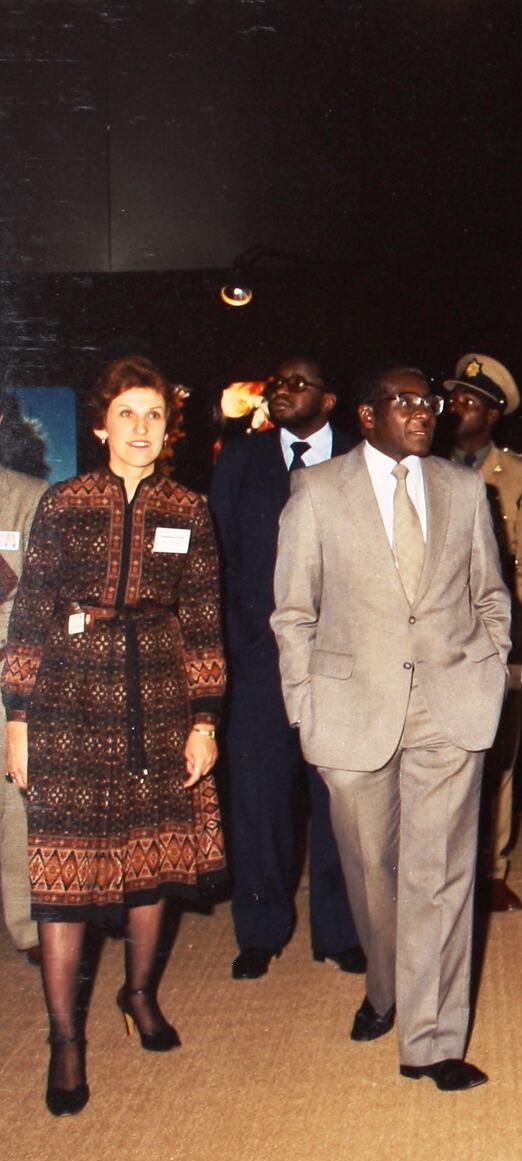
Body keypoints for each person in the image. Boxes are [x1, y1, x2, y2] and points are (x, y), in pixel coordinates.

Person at [271, 362, 511, 1093]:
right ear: (367, 416)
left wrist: (490, 669)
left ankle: (430, 1041)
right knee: (373, 872)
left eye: (428, 401)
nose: (421, 411)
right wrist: (304, 709)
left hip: (450, 703)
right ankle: (386, 987)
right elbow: (293, 613)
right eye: (403, 400)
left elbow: (493, 596)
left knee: (439, 876)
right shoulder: (316, 491)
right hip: (352, 710)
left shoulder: (466, 489)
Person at [2, 356, 227, 1116]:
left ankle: (137, 993)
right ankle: (66, 1038)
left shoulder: (189, 508)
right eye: (126, 414)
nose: (140, 428)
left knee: (151, 856)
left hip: (159, 700)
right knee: (63, 881)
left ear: (169, 429)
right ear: (101, 425)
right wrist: (17, 718)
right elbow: (31, 610)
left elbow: (202, 619)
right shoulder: (65, 504)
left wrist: (204, 720)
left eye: (154, 415)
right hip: (69, 701)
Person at [210, 357, 365, 981]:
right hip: (258, 664)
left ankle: (341, 930)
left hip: (341, 663)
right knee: (258, 801)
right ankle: (260, 928)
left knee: (339, 801)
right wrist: (232, 646)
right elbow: (217, 556)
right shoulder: (240, 459)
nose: (281, 392)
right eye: (276, 384)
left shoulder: (362, 458)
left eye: (297, 384)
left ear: (328, 401)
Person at [444, 352, 522, 913]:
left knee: (499, 758)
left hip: (499, 642)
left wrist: (502, 629)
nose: (457, 408)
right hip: (435, 644)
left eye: (470, 401)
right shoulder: (424, 466)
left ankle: (492, 868)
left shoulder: (518, 474)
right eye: (453, 397)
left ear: (493, 413)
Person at [0, 402, 49, 967]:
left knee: (18, 804)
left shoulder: (30, 496)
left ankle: (28, 927)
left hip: (9, 669)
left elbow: (38, 597)